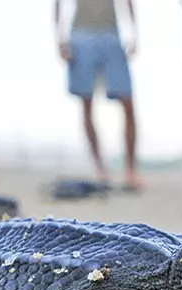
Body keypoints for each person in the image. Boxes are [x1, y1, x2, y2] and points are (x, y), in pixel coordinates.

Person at [54, 0, 142, 190]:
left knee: (127, 101)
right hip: (80, 35)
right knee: (86, 103)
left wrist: (134, 35)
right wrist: (60, 39)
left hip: (111, 34)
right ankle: (100, 168)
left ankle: (131, 170)